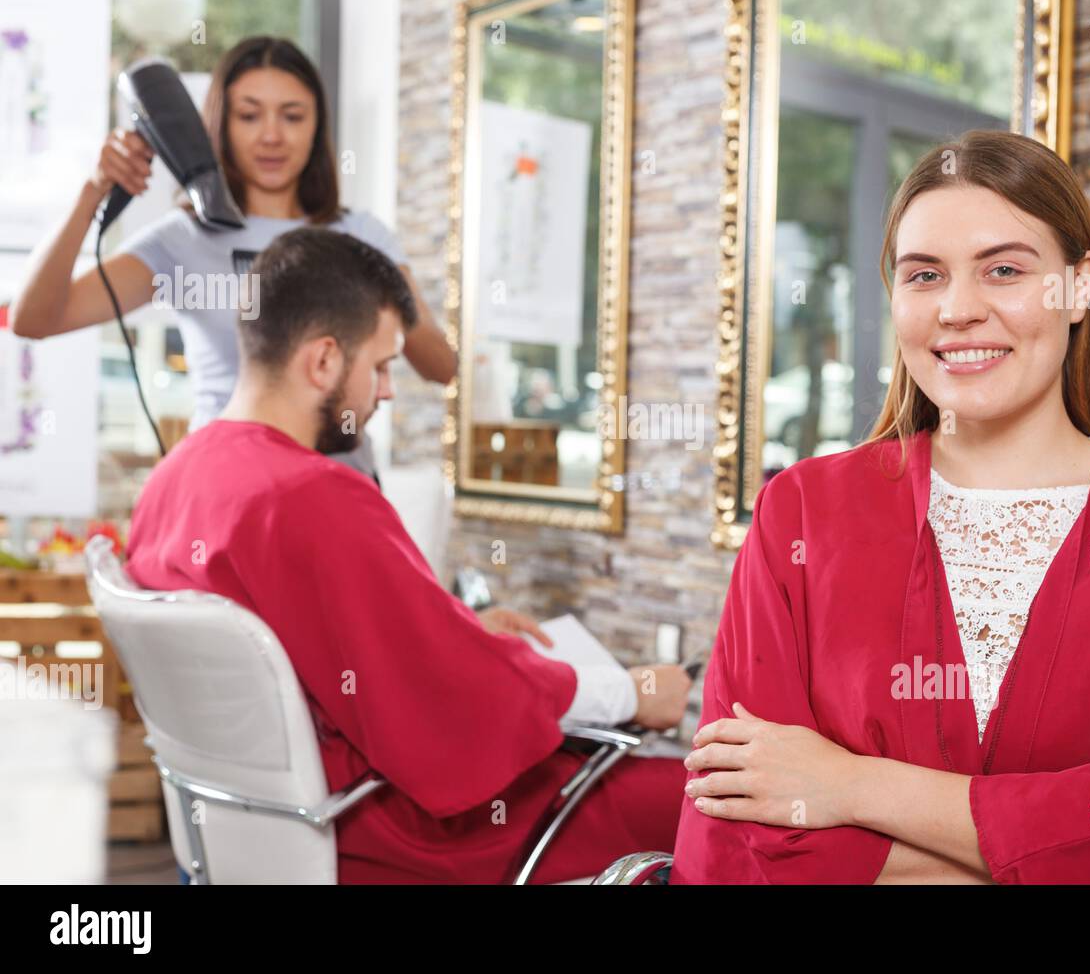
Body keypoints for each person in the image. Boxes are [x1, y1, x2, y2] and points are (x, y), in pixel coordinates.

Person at [672, 129, 1090, 884]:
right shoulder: (800, 514)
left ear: (1081, 285)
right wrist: (1079, 827)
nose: (958, 310)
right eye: (925, 276)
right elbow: (743, 827)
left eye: (1005, 270)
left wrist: (851, 786)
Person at [125, 227, 691, 883]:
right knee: (701, 797)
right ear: (324, 362)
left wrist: (456, 632)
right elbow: (452, 700)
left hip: (247, 825)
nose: (388, 391)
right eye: (383, 365)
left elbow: (311, 651)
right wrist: (634, 689)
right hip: (385, 827)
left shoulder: (174, 479)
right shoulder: (313, 494)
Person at [10, 35, 455, 484]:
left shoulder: (361, 236)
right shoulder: (183, 242)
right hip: (225, 489)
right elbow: (32, 319)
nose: (271, 136)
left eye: (293, 116)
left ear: (317, 127)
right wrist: (93, 192)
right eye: (248, 115)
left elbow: (441, 367)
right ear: (219, 126)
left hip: (341, 493)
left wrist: (373, 291)